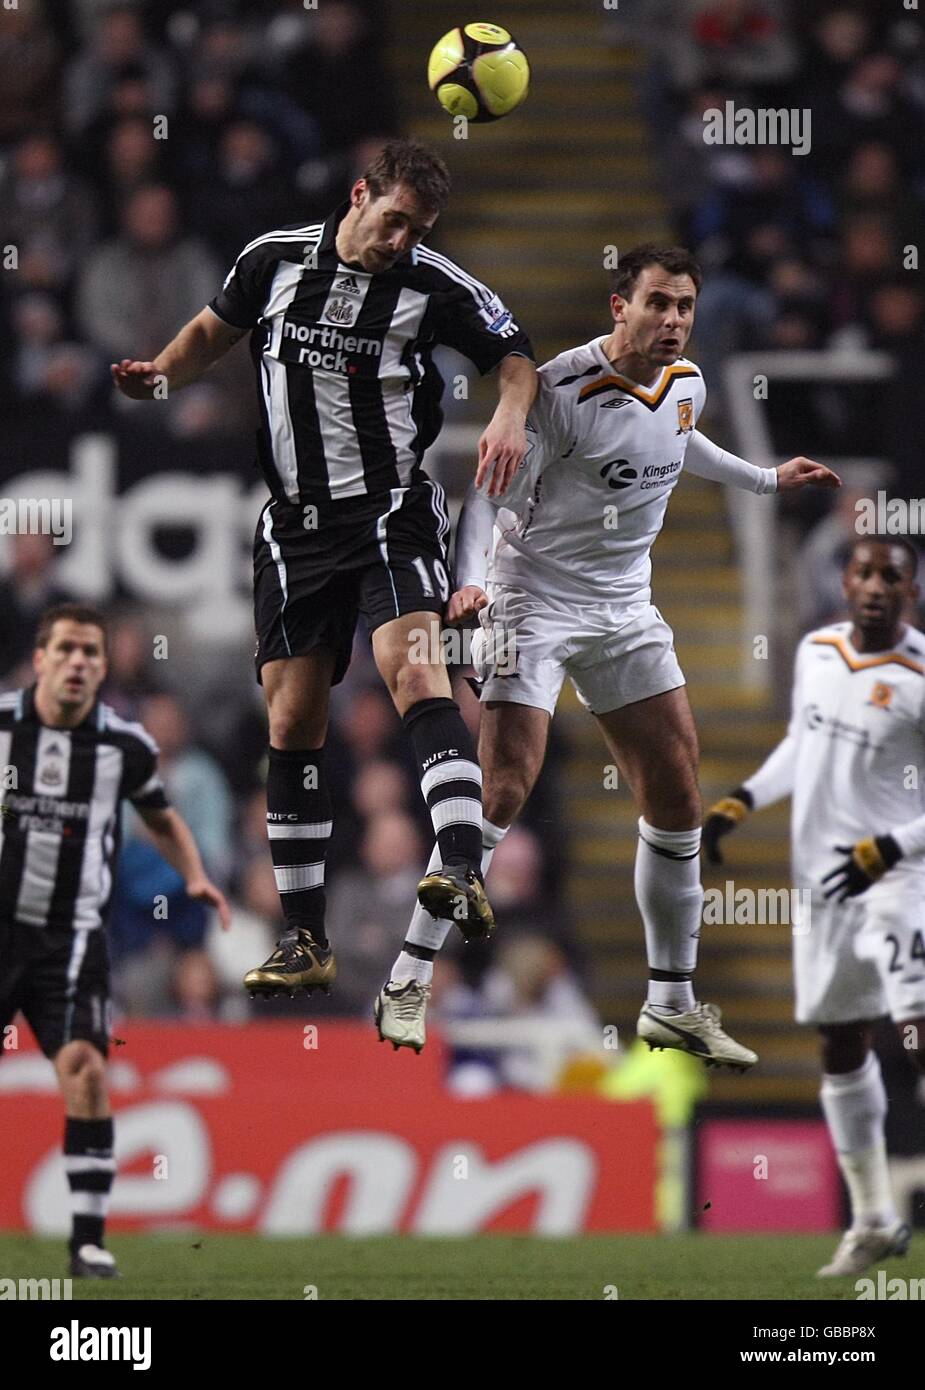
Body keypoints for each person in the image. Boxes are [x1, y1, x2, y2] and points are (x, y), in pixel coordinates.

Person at [375, 243, 840, 1063]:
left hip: (623, 605)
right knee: (504, 789)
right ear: (618, 307)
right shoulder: (558, 390)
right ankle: (408, 976)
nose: (673, 321)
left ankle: (670, 1001)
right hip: (533, 597)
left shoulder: (687, 382)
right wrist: (475, 585)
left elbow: (682, 441)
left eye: (685, 307)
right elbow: (491, 492)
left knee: (674, 790)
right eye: (658, 303)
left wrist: (768, 480)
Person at [111, 138, 537, 998]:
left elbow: (515, 359)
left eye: (415, 229)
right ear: (357, 197)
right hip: (295, 527)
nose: (399, 241)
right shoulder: (270, 261)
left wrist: (509, 417)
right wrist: (158, 376)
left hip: (389, 509)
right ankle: (305, 936)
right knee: (293, 717)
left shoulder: (434, 285)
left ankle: (458, 866)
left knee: (411, 667)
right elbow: (208, 335)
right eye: (390, 222)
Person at [704, 537, 925, 1276]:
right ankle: (871, 1218)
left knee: (916, 1030)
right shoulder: (817, 650)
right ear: (843, 580)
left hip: (897, 882)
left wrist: (890, 848)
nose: (872, 587)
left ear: (910, 592)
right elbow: (802, 741)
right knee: (839, 1043)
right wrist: (740, 800)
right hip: (822, 884)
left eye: (889, 577)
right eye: (862, 573)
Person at [0, 602, 230, 1279]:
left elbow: (158, 818)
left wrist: (195, 877)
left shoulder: (122, 746)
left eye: (90, 653)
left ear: (104, 666)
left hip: (72, 937)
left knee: (87, 1072)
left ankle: (88, 1241)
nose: (78, 663)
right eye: (66, 649)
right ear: (41, 659)